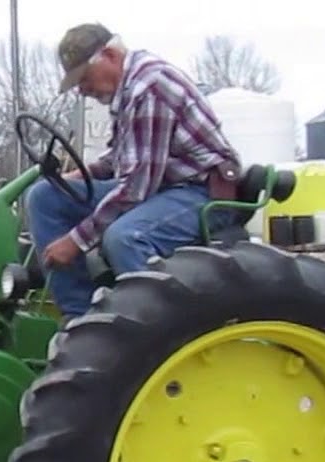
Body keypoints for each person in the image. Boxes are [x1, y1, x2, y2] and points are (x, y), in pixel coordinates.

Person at [25, 23, 242, 322]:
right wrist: (82, 174)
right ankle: (80, 320)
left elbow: (137, 187)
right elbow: (122, 158)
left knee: (125, 237)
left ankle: (152, 334)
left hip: (200, 191)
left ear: (111, 55)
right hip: (163, 188)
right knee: (45, 197)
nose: (83, 90)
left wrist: (75, 241)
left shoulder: (150, 86)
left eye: (84, 78)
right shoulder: (127, 90)